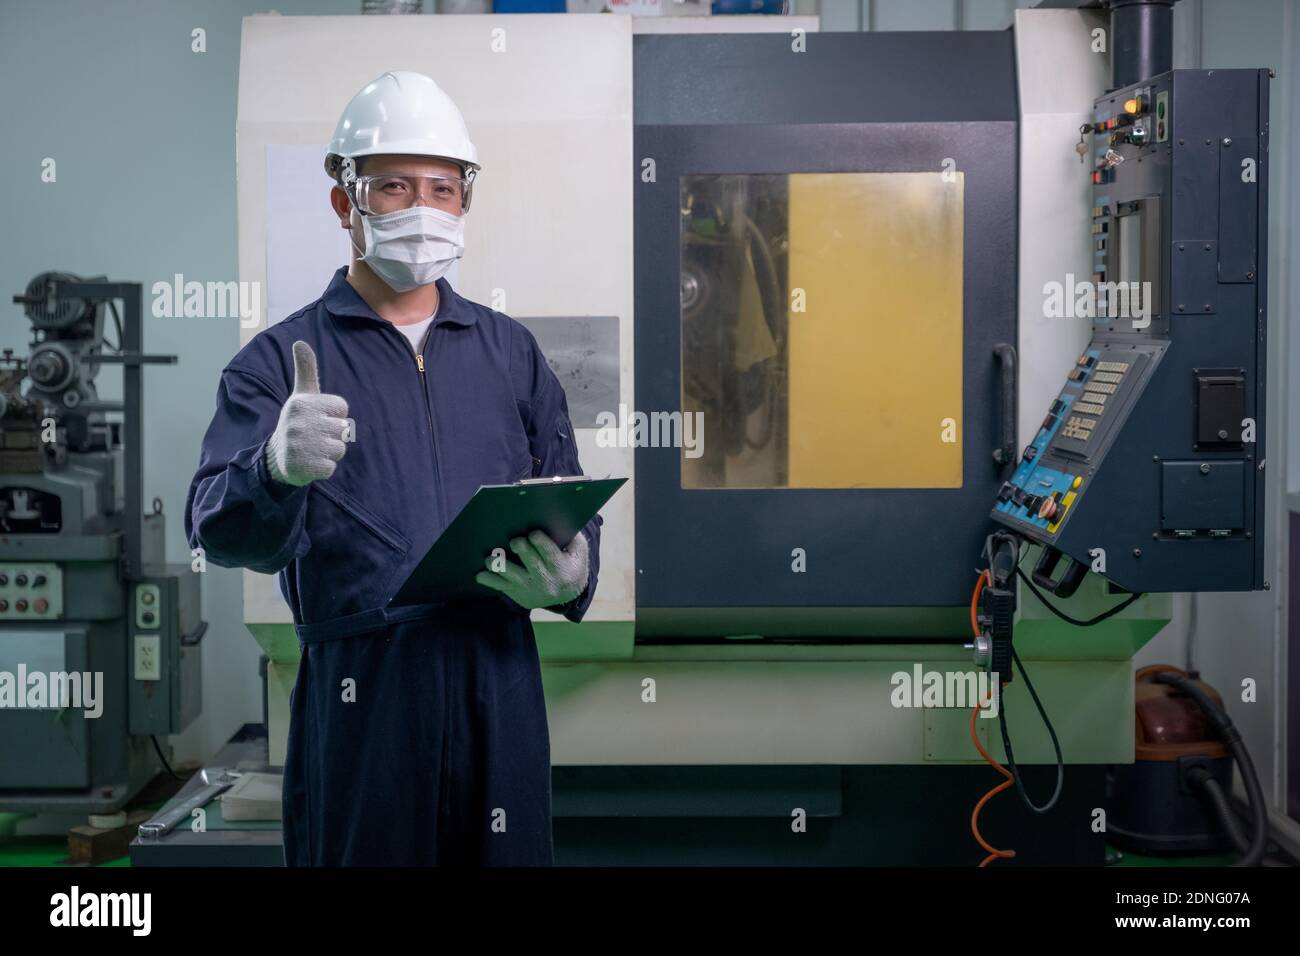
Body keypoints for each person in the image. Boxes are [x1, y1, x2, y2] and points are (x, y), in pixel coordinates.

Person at [185, 71, 599, 865]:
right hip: (363, 693)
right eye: (394, 187)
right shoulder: (276, 362)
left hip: (497, 680)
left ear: (465, 199)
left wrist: (573, 574)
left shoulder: (510, 352)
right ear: (346, 202)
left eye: (443, 188)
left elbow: (571, 504)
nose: (423, 208)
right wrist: (272, 467)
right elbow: (217, 528)